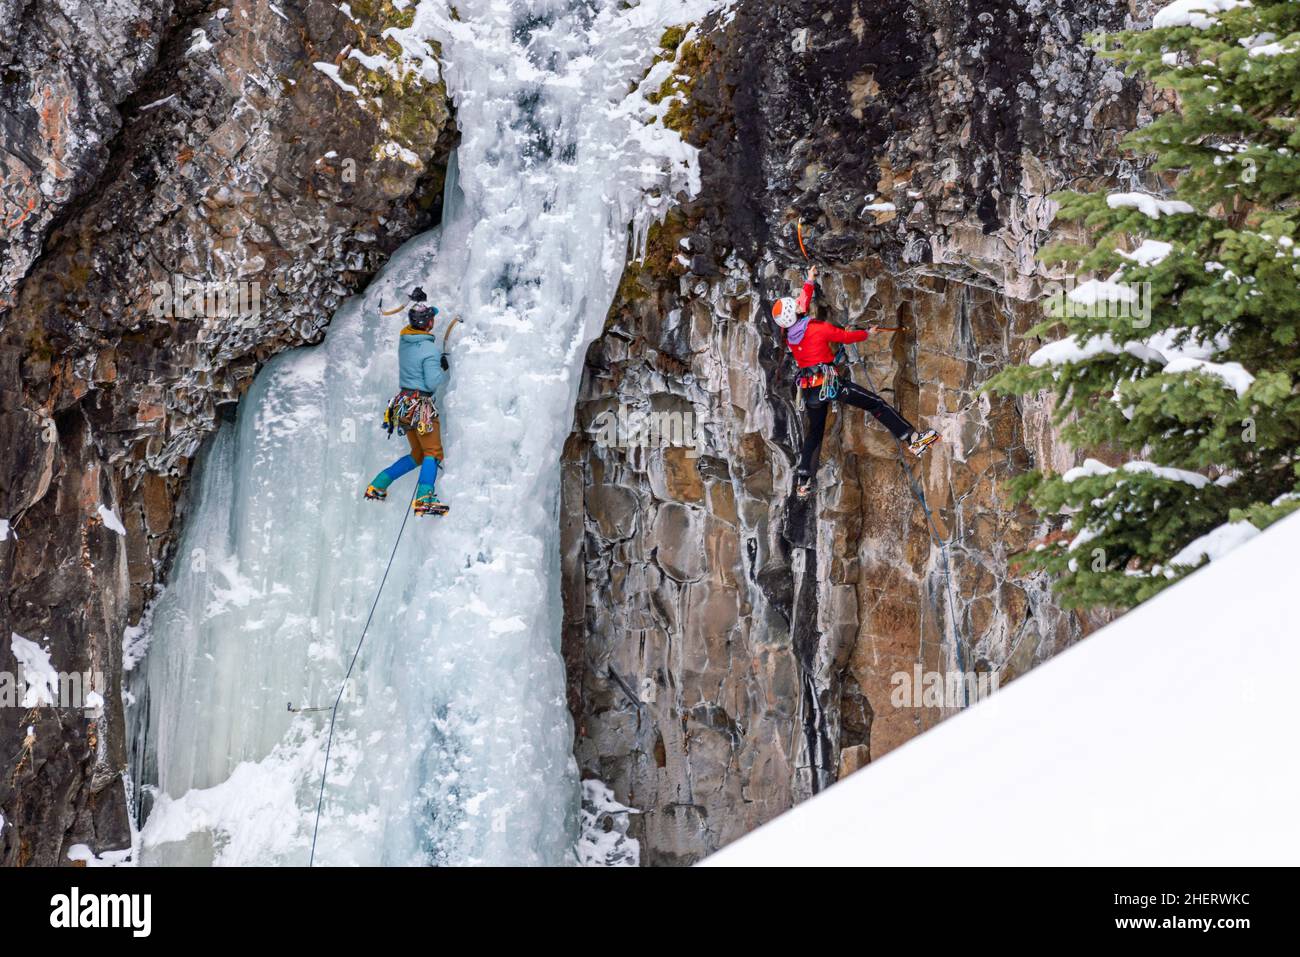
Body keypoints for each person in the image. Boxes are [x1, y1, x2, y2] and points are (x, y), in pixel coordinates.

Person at [772, 265, 938, 499]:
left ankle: (803, 481)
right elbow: (845, 337)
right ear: (796, 312)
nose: (800, 302)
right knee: (875, 403)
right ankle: (913, 439)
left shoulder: (790, 334)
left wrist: (810, 280)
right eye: (797, 304)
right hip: (831, 386)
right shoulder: (817, 329)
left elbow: (801, 304)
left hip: (810, 391)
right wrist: (868, 333)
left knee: (814, 433)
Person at [364, 292, 452, 516]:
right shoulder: (430, 350)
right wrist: (442, 368)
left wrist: (416, 300)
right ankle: (424, 500)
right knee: (433, 452)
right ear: (429, 323)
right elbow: (433, 381)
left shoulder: (405, 341)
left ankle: (378, 485)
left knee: (418, 455)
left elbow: (411, 326)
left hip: (402, 406)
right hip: (420, 407)